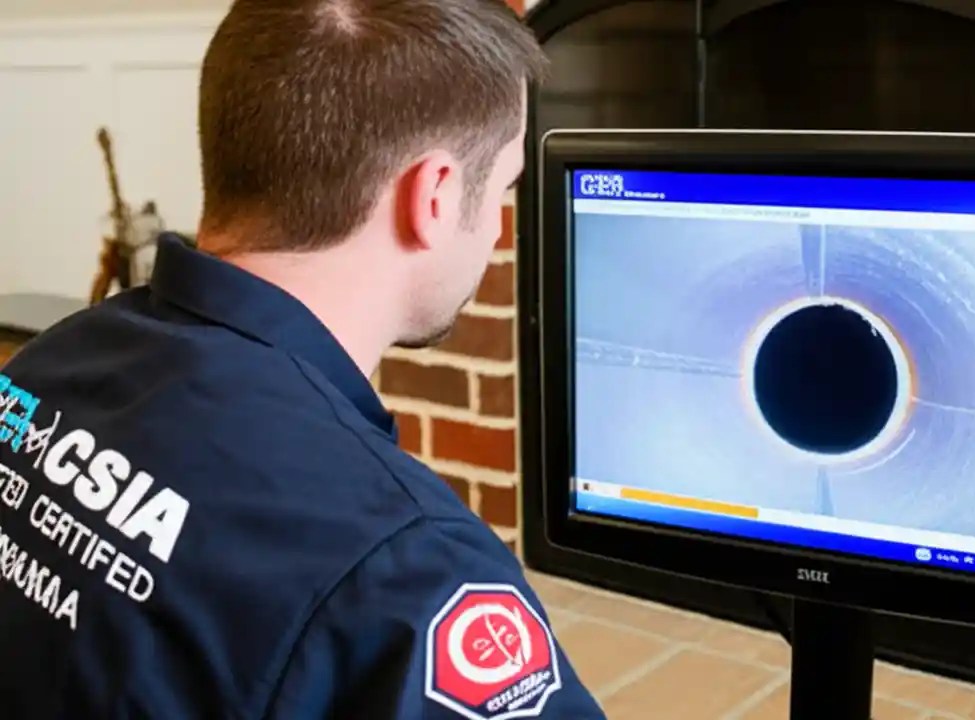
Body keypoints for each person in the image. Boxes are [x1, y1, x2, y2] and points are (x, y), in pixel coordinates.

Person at [0, 1, 606, 718]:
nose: (500, 226)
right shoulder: (405, 572)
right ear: (435, 196)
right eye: (503, 188)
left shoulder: (43, 368)